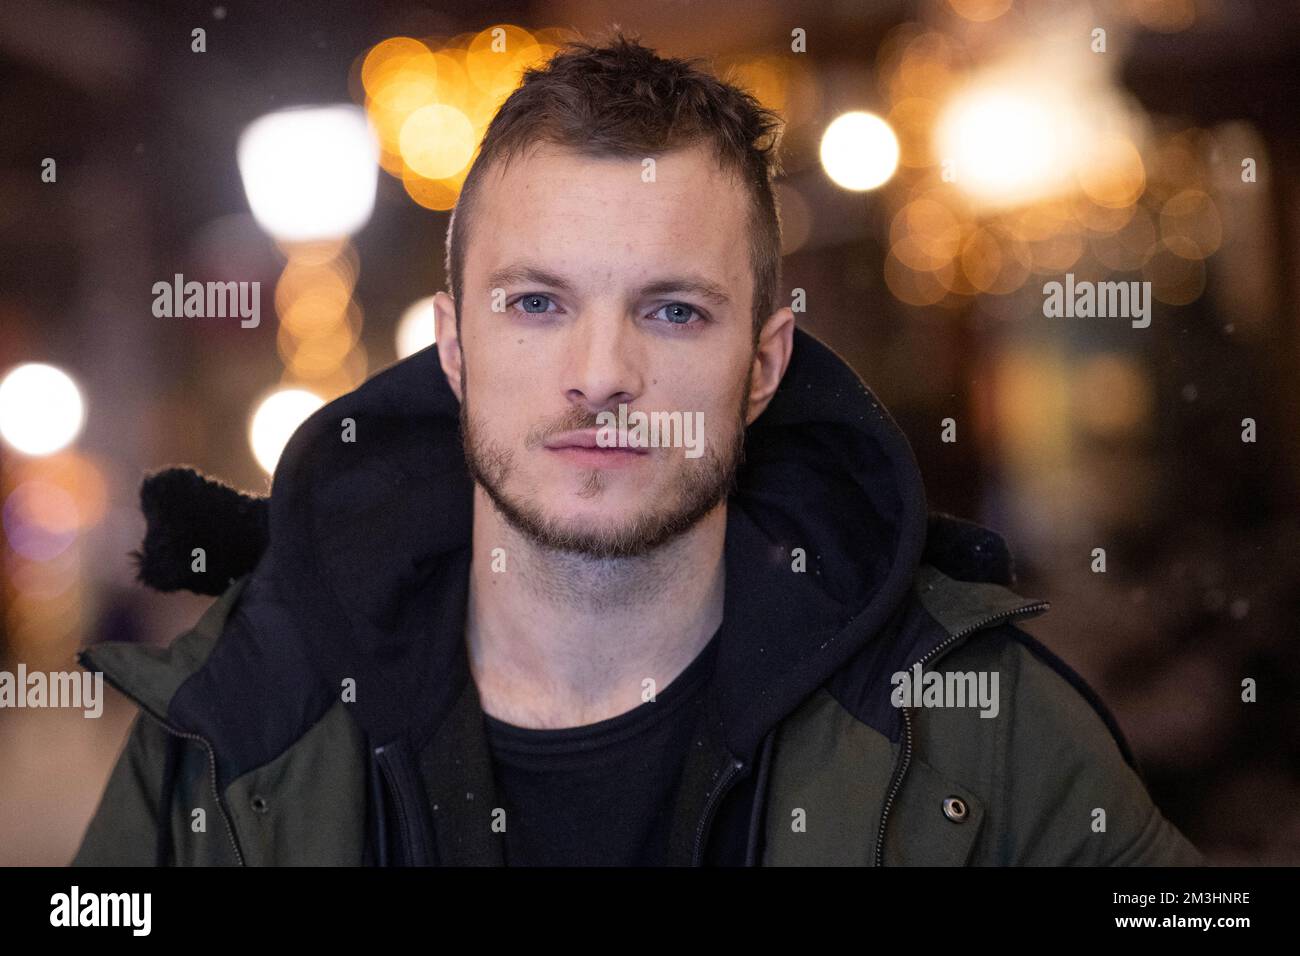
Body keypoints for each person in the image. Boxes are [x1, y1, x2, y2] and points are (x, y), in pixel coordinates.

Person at [73, 34, 1202, 866]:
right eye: (535, 303)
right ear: (454, 347)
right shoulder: (237, 725)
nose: (602, 371)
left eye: (671, 310)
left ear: (762, 367)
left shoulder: (976, 732)